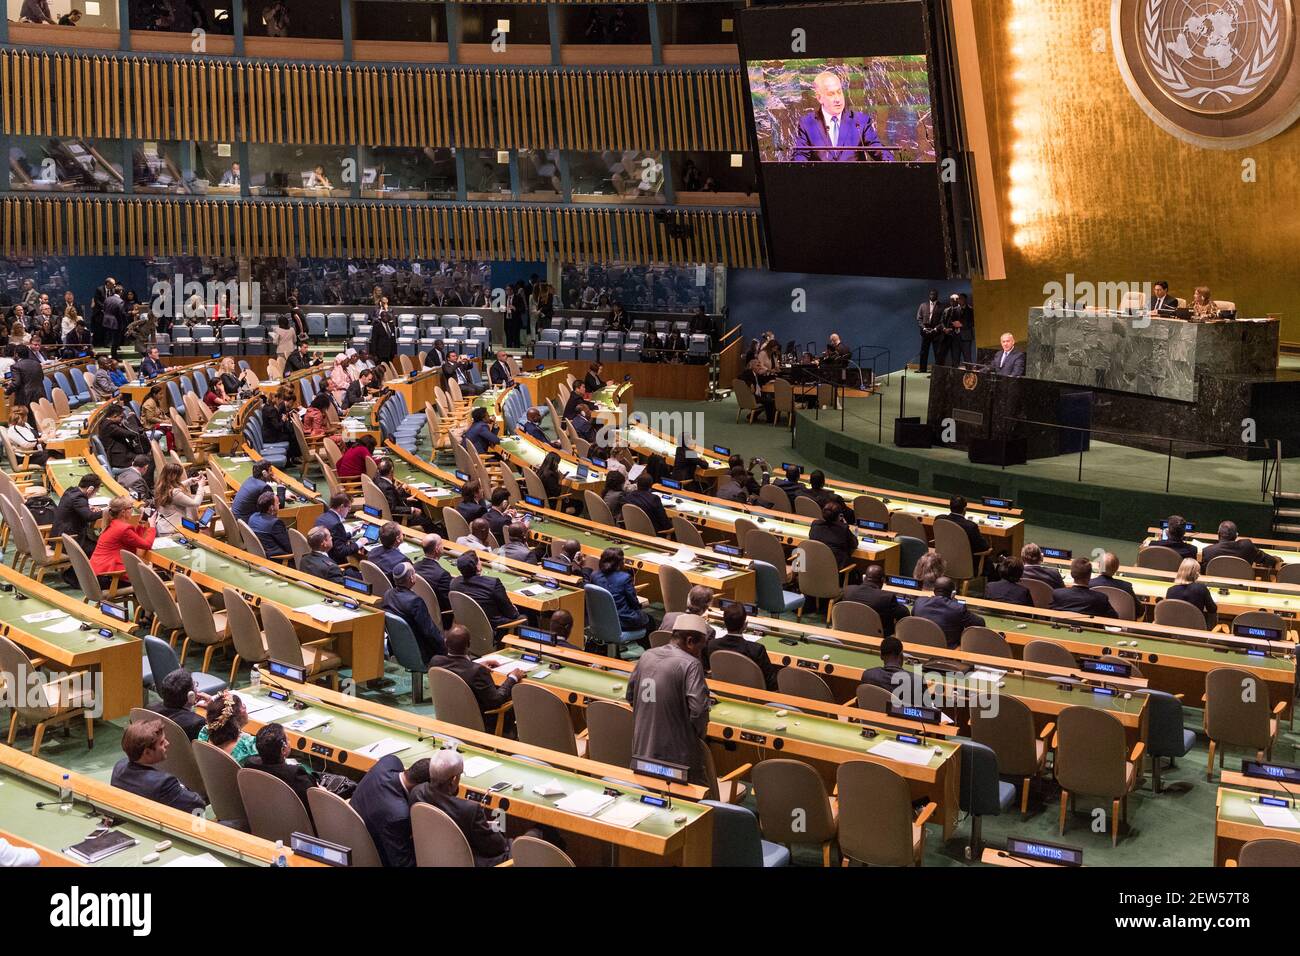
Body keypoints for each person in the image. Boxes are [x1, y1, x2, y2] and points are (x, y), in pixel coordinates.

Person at [624, 613, 711, 785]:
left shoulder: (646, 655)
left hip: (643, 752)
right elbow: (699, 711)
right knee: (702, 794)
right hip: (678, 762)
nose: (699, 653)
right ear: (690, 641)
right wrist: (698, 736)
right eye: (700, 647)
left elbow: (630, 696)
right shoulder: (691, 664)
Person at [407, 750, 511, 867]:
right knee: (514, 847)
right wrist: (497, 830)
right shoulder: (469, 810)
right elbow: (496, 847)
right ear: (453, 780)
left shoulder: (417, 792)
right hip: (467, 861)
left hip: (431, 857)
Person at [792, 70, 892, 163]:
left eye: (839, 92)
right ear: (819, 98)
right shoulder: (807, 124)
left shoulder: (860, 121)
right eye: (831, 94)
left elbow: (878, 149)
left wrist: (889, 162)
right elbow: (800, 155)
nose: (838, 99)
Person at [350, 754, 431, 868]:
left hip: (350, 835)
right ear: (421, 788)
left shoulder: (389, 761)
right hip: (370, 857)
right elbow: (403, 864)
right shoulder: (398, 815)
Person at [111, 719, 207, 814]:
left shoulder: (119, 766)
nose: (167, 743)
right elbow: (198, 805)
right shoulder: (163, 783)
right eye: (161, 743)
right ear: (147, 752)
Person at [428, 623, 518, 721]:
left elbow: (456, 666)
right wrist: (513, 678)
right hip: (479, 721)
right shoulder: (477, 672)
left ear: (445, 642)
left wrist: (474, 664)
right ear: (469, 644)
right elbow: (496, 701)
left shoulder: (435, 661)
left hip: (447, 715)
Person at [243, 724, 317, 813]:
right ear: (283, 750)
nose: (289, 741)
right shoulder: (296, 776)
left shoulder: (250, 765)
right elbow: (315, 804)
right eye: (288, 739)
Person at [704, 602, 777, 689]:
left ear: (725, 623)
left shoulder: (712, 645)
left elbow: (706, 670)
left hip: (721, 691)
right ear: (745, 625)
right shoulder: (757, 650)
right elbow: (771, 684)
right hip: (751, 694)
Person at [383, 562, 445, 662]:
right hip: (419, 652)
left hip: (397, 648)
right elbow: (430, 632)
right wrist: (444, 649)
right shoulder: (415, 602)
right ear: (412, 578)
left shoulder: (387, 594)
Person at [450, 550, 520, 635]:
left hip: (466, 628)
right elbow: (512, 614)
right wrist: (515, 611)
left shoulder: (454, 583)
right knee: (523, 618)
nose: (480, 562)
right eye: (479, 560)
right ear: (477, 567)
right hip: (493, 630)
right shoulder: (493, 584)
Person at [90, 496, 156, 578]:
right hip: (111, 576)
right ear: (123, 512)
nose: (132, 510)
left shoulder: (113, 524)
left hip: (98, 571)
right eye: (131, 507)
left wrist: (141, 523)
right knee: (152, 575)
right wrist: (152, 527)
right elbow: (147, 545)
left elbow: (136, 540)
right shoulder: (123, 529)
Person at [592, 547, 652, 634]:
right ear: (620, 562)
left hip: (600, 619)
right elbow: (634, 602)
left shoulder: (594, 575)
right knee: (650, 621)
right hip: (622, 621)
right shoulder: (625, 578)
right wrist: (640, 607)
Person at [913, 576, 985, 649]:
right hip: (946, 650)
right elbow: (980, 623)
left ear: (934, 591)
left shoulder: (919, 602)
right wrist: (954, 602)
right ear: (953, 593)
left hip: (919, 647)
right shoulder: (958, 608)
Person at [843, 565, 910, 636]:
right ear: (883, 580)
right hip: (877, 635)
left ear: (864, 578)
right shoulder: (886, 597)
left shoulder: (847, 591)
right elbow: (904, 615)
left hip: (849, 631)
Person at [146, 668, 211, 741]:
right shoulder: (197, 723)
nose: (197, 688)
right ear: (190, 695)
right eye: (195, 685)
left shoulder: (149, 709)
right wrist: (213, 708)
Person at [857, 635, 922, 706]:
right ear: (901, 656)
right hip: (900, 713)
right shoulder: (916, 680)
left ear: (881, 656)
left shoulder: (868, 676)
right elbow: (926, 710)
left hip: (873, 713)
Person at [52, 473, 103, 561]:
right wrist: (106, 511)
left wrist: (88, 506)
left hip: (61, 535)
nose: (95, 494)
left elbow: (76, 506)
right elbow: (89, 516)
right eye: (95, 491)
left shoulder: (71, 491)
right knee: (100, 550)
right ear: (91, 489)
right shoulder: (79, 498)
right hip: (68, 541)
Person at [198, 690, 257, 765]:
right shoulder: (249, 745)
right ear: (242, 711)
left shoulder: (205, 732)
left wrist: (215, 707)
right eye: (243, 706)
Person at [1049, 557, 1118, 618]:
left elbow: (1049, 612)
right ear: (1090, 576)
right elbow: (1114, 617)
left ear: (1071, 574)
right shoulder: (1101, 598)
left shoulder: (1058, 594)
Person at [1202, 520, 1279, 571]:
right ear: (1236, 536)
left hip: (1215, 586)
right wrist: (1275, 560)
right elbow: (1265, 559)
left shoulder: (1208, 551)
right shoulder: (1247, 546)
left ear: (1218, 534)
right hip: (1242, 586)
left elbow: (1204, 571)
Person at [315, 492, 365, 565]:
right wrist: (359, 544)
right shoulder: (336, 524)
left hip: (320, 559)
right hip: (333, 563)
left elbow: (334, 538)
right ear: (341, 507)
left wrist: (350, 533)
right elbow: (341, 552)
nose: (349, 510)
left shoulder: (321, 517)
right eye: (349, 507)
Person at [1166, 558, 1217, 628]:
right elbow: (1212, 609)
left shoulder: (1170, 590)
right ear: (1196, 573)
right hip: (1196, 628)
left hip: (1175, 628)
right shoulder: (1201, 588)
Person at [809, 502, 858, 570]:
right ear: (839, 516)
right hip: (835, 570)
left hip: (813, 567)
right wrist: (845, 525)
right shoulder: (843, 529)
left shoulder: (815, 525)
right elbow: (854, 544)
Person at [413, 534, 452, 617]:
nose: (443, 546)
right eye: (441, 544)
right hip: (435, 617)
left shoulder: (414, 566)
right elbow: (448, 605)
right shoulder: (443, 575)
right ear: (437, 549)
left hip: (417, 610)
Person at [940, 496, 990, 560]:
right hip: (966, 561)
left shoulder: (940, 519)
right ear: (965, 509)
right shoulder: (971, 526)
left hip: (944, 559)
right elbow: (984, 547)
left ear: (950, 507)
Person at [249, 490, 291, 558]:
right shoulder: (275, 523)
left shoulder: (253, 517)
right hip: (278, 558)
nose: (279, 504)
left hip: (259, 553)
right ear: (272, 507)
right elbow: (289, 547)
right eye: (277, 503)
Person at [916, 289, 945, 373]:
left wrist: (935, 329)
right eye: (931, 294)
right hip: (925, 331)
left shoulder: (942, 306)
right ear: (929, 295)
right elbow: (919, 318)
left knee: (937, 352)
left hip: (936, 332)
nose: (932, 295)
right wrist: (923, 328)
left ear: (937, 295)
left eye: (934, 294)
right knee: (923, 351)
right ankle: (922, 369)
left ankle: (938, 370)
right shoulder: (923, 305)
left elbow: (943, 320)